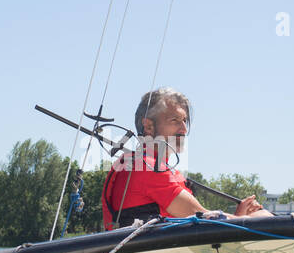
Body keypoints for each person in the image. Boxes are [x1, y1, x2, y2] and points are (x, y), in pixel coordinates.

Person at [100, 88, 270, 230]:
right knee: (263, 217)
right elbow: (208, 221)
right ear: (149, 126)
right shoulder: (147, 167)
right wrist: (244, 217)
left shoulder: (141, 164)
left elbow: (206, 221)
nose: (183, 128)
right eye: (175, 120)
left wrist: (238, 216)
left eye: (184, 121)